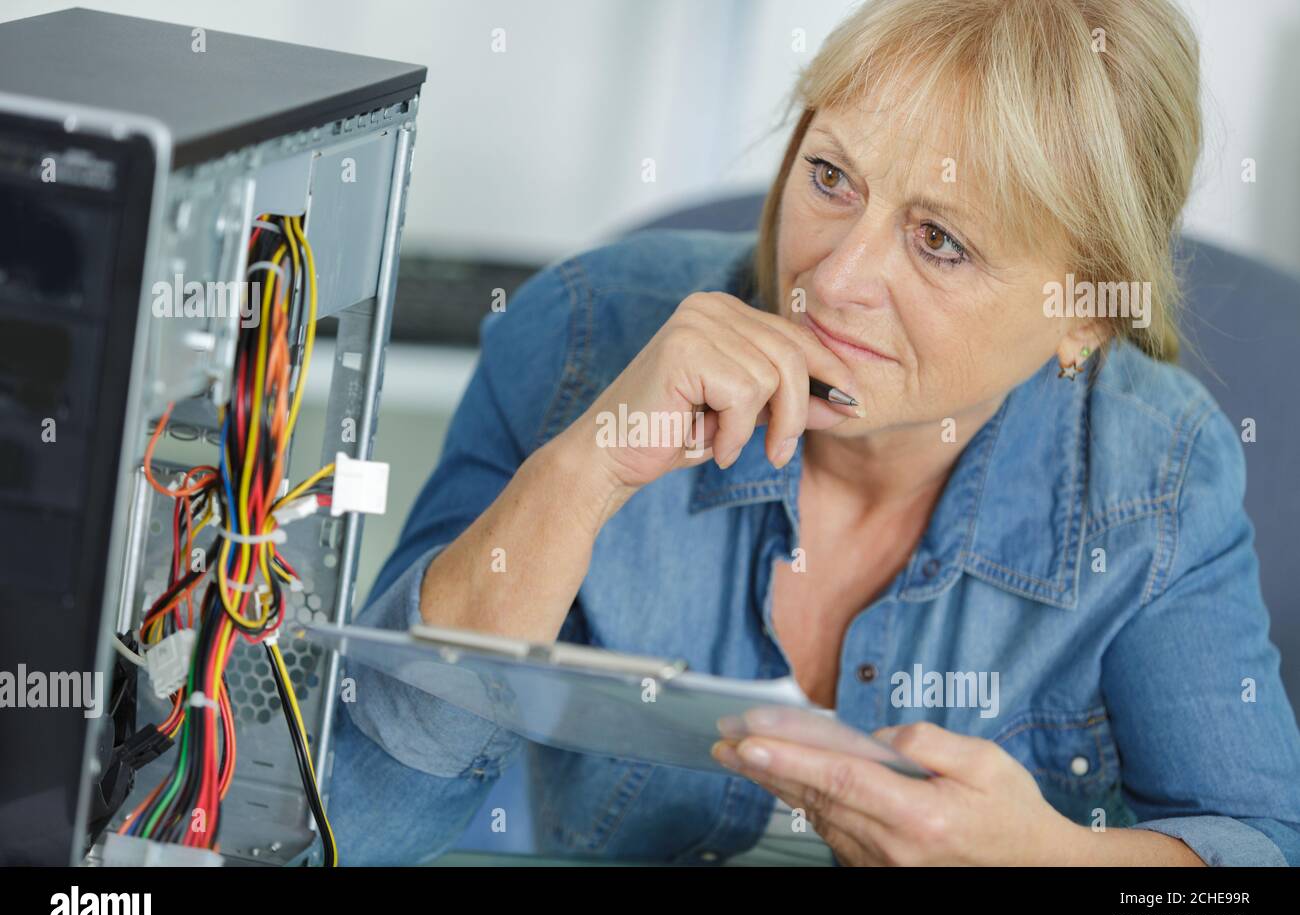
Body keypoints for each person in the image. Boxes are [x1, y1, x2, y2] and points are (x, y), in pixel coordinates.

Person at [327, 0, 1300, 865]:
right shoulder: (579, 336)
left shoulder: (1157, 472)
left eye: (940, 241)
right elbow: (346, 821)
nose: (831, 280)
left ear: (1083, 314)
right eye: (831, 176)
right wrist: (584, 470)